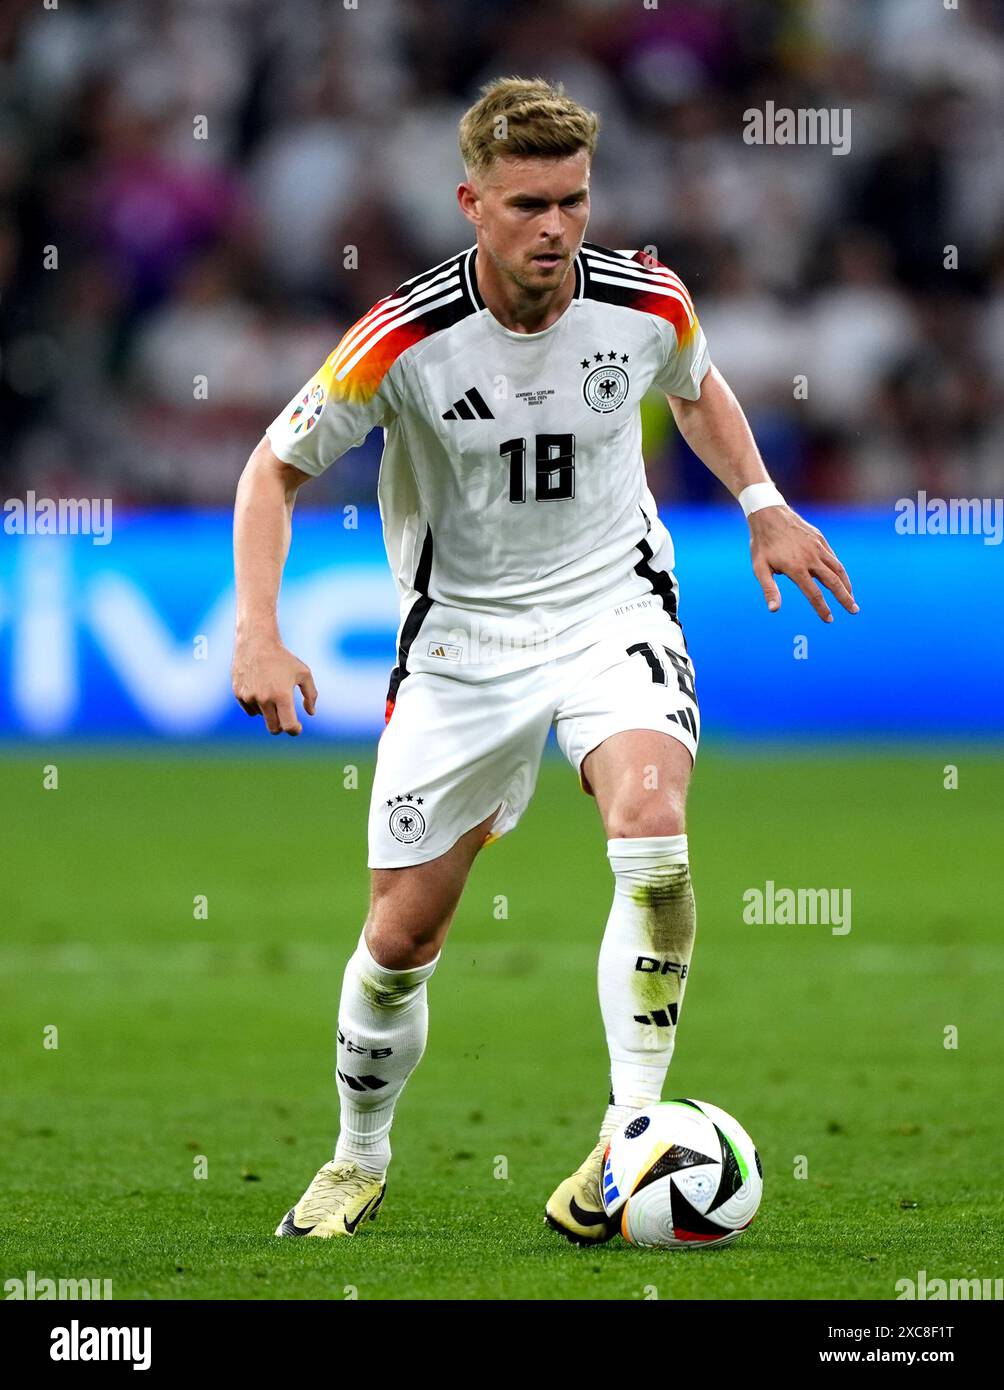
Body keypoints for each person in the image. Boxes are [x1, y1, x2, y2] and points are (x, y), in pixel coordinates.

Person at [231, 77, 858, 1242]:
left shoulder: (643, 300)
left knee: (653, 831)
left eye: (571, 200)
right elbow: (271, 468)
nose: (556, 229)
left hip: (610, 609)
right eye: (527, 205)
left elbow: (698, 381)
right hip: (461, 644)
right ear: (472, 203)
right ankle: (356, 1157)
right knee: (400, 938)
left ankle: (628, 1137)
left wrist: (762, 502)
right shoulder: (403, 337)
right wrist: (257, 630)